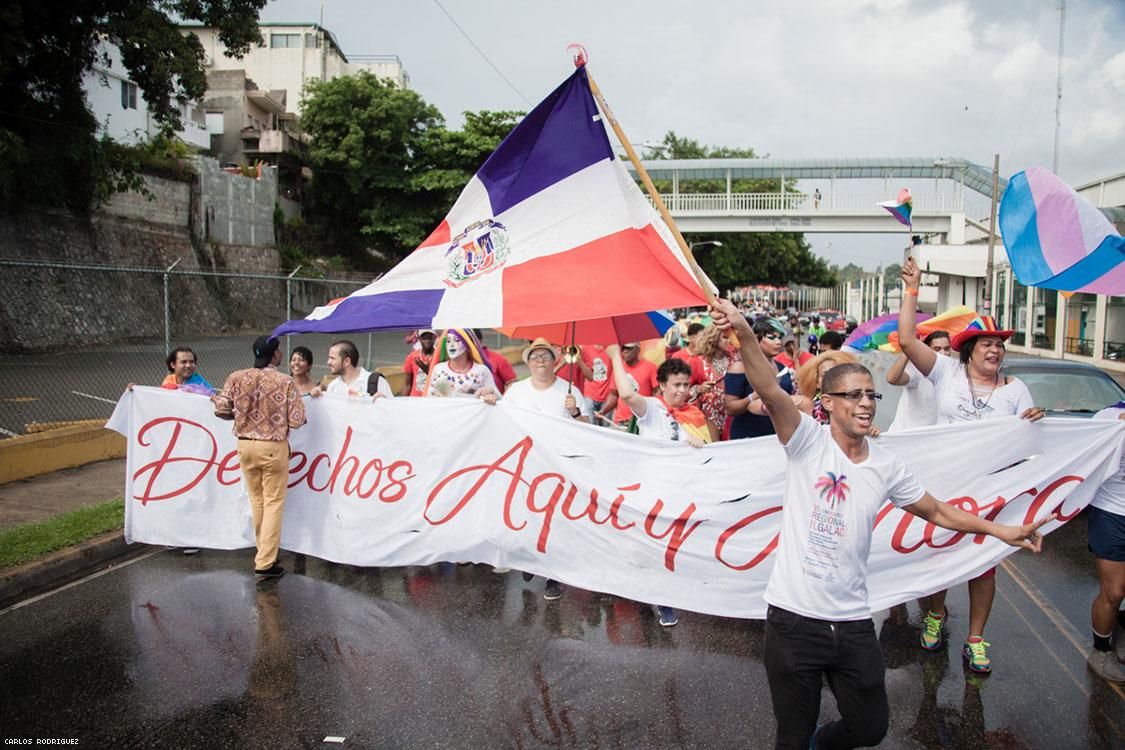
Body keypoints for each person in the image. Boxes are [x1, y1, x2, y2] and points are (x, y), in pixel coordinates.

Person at [711, 298, 1051, 749]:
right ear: (828, 404)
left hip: (852, 623)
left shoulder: (886, 465)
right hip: (794, 622)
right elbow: (769, 391)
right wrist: (745, 334)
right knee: (790, 737)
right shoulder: (807, 442)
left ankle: (823, 742)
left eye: (871, 394)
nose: (866, 402)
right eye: (853, 395)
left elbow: (937, 511)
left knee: (870, 728)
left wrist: (1000, 531)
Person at [898, 257, 1044, 674]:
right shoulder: (945, 373)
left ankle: (976, 639)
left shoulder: (1017, 390)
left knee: (982, 567)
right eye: (987, 344)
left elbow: (1032, 444)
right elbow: (908, 341)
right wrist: (913, 290)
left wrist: (1037, 421)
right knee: (939, 558)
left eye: (999, 345)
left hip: (989, 492)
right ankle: (935, 615)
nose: (995, 350)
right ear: (968, 351)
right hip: (943, 486)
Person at [608, 345, 716, 627]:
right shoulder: (653, 409)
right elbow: (628, 394)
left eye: (685, 385)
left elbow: (710, 454)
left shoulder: (694, 414)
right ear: (662, 386)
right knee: (653, 546)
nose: (682, 390)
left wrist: (699, 446)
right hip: (654, 490)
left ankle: (665, 592)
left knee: (673, 546)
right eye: (676, 385)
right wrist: (614, 356)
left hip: (683, 491)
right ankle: (660, 600)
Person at [483, 338, 590, 595]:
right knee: (529, 516)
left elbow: (587, 428)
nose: (540, 360)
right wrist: (488, 403)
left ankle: (553, 577)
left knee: (557, 521)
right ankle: (533, 561)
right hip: (527, 466)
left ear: (556, 362)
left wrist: (575, 412)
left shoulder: (570, 391)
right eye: (535, 356)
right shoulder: (517, 392)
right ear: (528, 362)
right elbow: (501, 422)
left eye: (546, 356)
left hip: (558, 467)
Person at [213, 336, 306, 580]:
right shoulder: (284, 381)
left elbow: (221, 409)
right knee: (274, 502)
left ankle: (263, 552)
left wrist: (244, 415)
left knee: (257, 500)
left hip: (244, 445)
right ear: (274, 354)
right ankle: (265, 560)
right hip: (273, 446)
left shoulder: (236, 377)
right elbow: (297, 419)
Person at [1087, 402, 1125, 683]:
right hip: (1112, 512)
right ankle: (1100, 651)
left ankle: (1121, 628)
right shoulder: (1109, 416)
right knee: (1114, 591)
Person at [724, 317, 802, 440]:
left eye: (780, 337)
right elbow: (730, 408)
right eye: (772, 337)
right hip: (748, 437)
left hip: (779, 436)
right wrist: (753, 397)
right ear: (756, 338)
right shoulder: (740, 368)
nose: (778, 342)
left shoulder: (782, 368)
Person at [885, 330, 952, 432]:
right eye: (937, 349)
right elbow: (892, 379)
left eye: (946, 349)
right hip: (905, 437)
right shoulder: (916, 370)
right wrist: (909, 350)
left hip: (931, 439)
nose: (943, 353)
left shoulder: (952, 371)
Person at [425, 328, 498, 397]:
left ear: (467, 344)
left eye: (456, 340)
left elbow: (498, 397)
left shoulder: (481, 370)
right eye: (448, 341)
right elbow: (429, 398)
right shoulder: (439, 369)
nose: (451, 345)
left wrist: (490, 392)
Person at [313, 340, 394, 400]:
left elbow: (393, 412)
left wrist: (384, 403)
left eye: (332, 358)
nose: (328, 362)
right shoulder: (333, 387)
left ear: (347, 361)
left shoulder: (376, 382)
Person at [797, 350, 858, 425]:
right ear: (817, 383)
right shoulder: (805, 405)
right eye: (824, 375)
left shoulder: (853, 404)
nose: (830, 378)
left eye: (836, 374)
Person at [694, 324, 735, 437]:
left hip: (731, 415)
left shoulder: (735, 360)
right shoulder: (698, 362)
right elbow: (684, 390)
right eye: (725, 337)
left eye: (730, 337)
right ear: (714, 339)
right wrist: (699, 388)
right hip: (708, 416)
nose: (729, 341)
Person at [610, 342, 658, 427]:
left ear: (638, 350)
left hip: (641, 421)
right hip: (620, 421)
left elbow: (657, 394)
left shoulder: (651, 367)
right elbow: (614, 395)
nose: (624, 351)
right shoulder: (618, 369)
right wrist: (603, 411)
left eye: (629, 348)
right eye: (623, 348)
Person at [581, 344, 616, 425]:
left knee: (606, 428)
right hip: (590, 394)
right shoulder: (586, 348)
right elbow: (588, 375)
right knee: (589, 427)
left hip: (607, 395)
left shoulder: (611, 348)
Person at [473, 329, 517, 394]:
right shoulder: (457, 361)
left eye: (470, 341)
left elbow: (512, 382)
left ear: (480, 341)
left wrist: (504, 400)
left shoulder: (497, 359)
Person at [401, 329, 437, 397]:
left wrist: (428, 371)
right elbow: (407, 383)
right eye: (424, 338)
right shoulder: (411, 357)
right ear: (419, 339)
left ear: (434, 338)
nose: (427, 341)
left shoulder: (440, 356)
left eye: (430, 337)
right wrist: (402, 402)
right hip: (415, 400)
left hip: (432, 399)